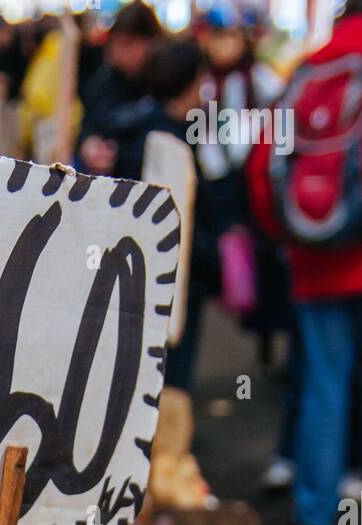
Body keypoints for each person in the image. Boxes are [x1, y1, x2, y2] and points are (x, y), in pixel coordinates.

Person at [247, 0, 362, 525]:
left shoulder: (306, 70)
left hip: (313, 265)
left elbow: (261, 165)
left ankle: (315, 515)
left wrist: (286, 235)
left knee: (323, 386)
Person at [112, 39, 220, 394]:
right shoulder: (169, 144)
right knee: (167, 381)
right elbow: (178, 224)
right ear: (188, 83)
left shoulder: (139, 128)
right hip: (175, 279)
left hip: (143, 277)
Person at [77, 0, 161, 175]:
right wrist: (88, 145)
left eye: (128, 43)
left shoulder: (167, 82)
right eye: (115, 43)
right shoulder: (104, 81)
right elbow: (88, 124)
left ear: (152, 42)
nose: (117, 52)